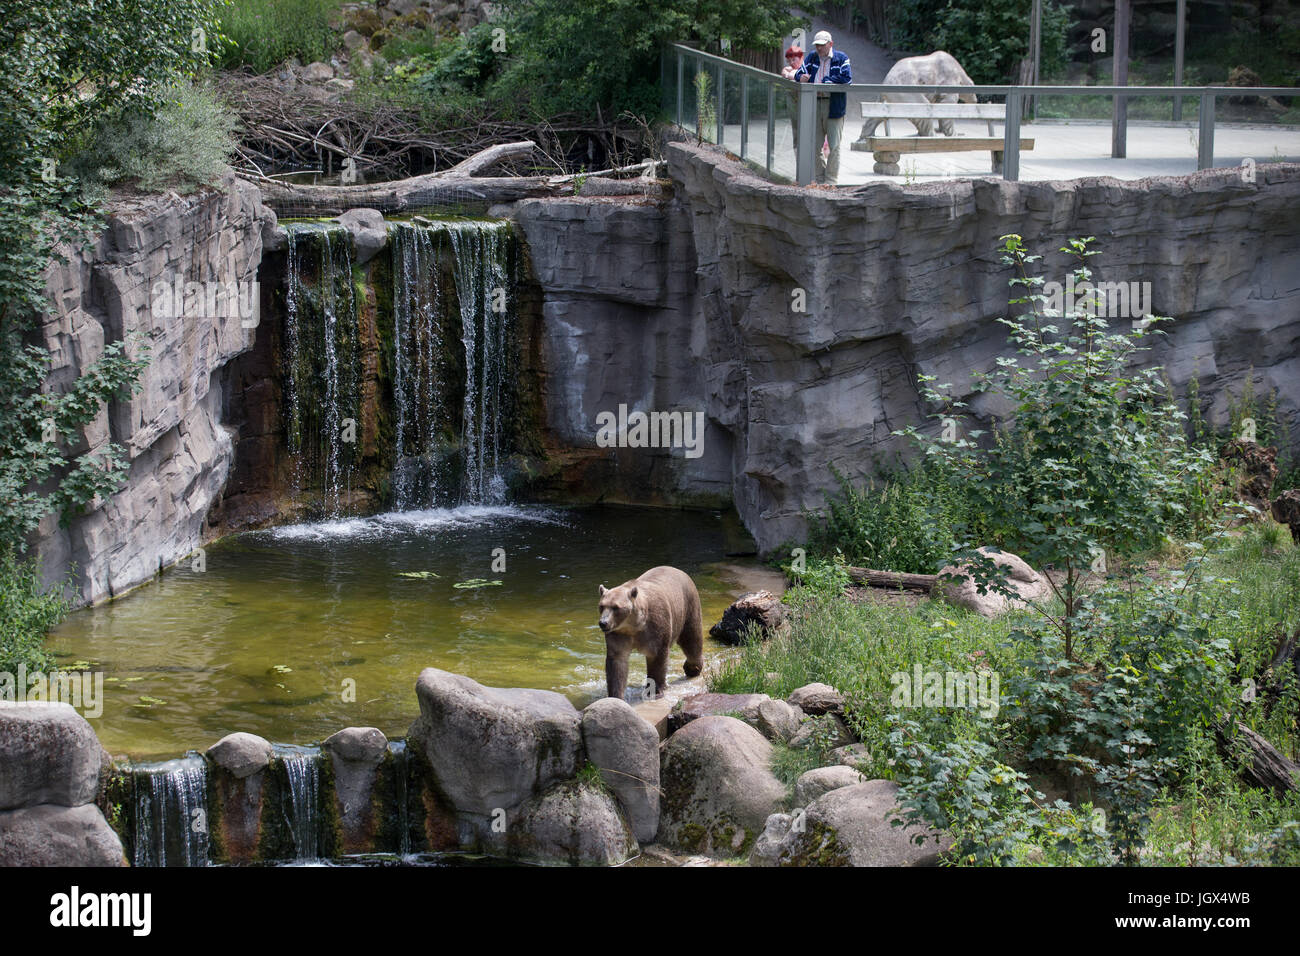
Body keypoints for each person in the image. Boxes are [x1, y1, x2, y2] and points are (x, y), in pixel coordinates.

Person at [794, 30, 852, 184]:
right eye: (817, 45)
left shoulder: (841, 58)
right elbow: (799, 73)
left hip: (834, 105)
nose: (819, 48)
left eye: (822, 45)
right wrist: (800, 77)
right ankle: (819, 178)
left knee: (834, 146)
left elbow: (846, 78)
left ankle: (831, 181)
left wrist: (826, 81)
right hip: (815, 103)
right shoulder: (812, 57)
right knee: (813, 144)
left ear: (830, 44)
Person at [781, 44, 804, 155]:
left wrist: (789, 74)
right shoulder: (791, 69)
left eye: (794, 59)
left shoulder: (806, 69)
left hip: (806, 109)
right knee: (796, 136)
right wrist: (787, 72)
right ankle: (798, 164)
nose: (791, 63)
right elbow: (785, 71)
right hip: (795, 110)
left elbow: (801, 76)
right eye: (788, 61)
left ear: (801, 58)